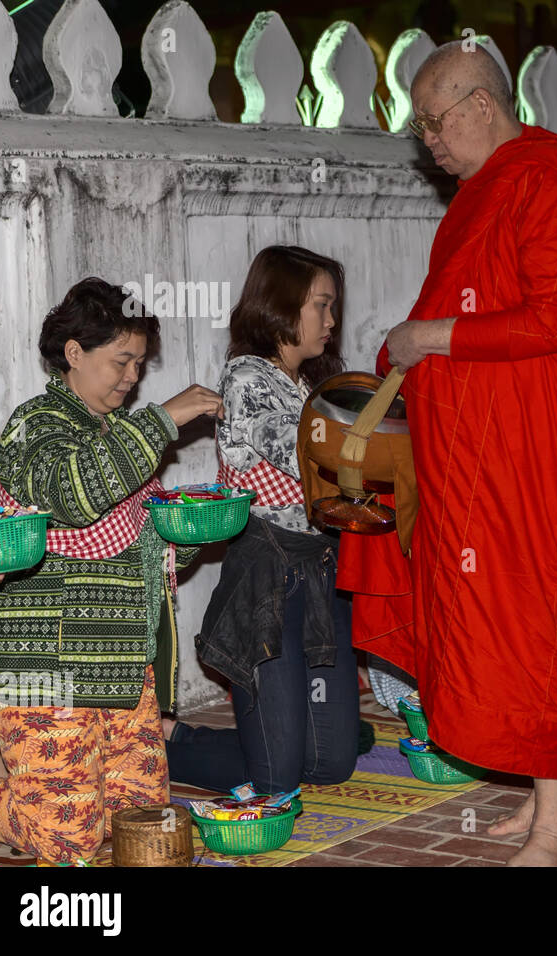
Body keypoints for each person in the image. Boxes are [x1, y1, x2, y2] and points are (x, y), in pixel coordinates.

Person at [382, 41, 557, 866]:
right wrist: (412, 351)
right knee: (495, 621)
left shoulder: (549, 175)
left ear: (484, 104)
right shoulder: (482, 193)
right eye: (421, 131)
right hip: (482, 453)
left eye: (436, 123)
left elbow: (552, 319)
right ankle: (555, 782)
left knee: (543, 608)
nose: (430, 144)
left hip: (539, 444)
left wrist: (427, 335)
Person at [0, 277, 222, 863]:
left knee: (139, 821)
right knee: (69, 838)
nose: (132, 377)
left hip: (117, 658)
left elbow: (139, 548)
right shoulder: (33, 427)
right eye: (122, 360)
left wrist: (185, 538)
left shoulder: (116, 433)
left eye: (140, 362)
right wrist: (165, 417)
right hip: (40, 664)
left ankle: (10, 769)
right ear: (75, 354)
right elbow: (73, 493)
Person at [164, 246, 360, 795]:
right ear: (282, 305)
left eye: (332, 307)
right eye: (321, 305)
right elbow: (312, 454)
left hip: (319, 571)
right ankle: (168, 743)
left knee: (330, 765)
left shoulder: (305, 383)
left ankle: (281, 735)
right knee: (274, 778)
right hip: (267, 577)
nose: (331, 320)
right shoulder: (248, 379)